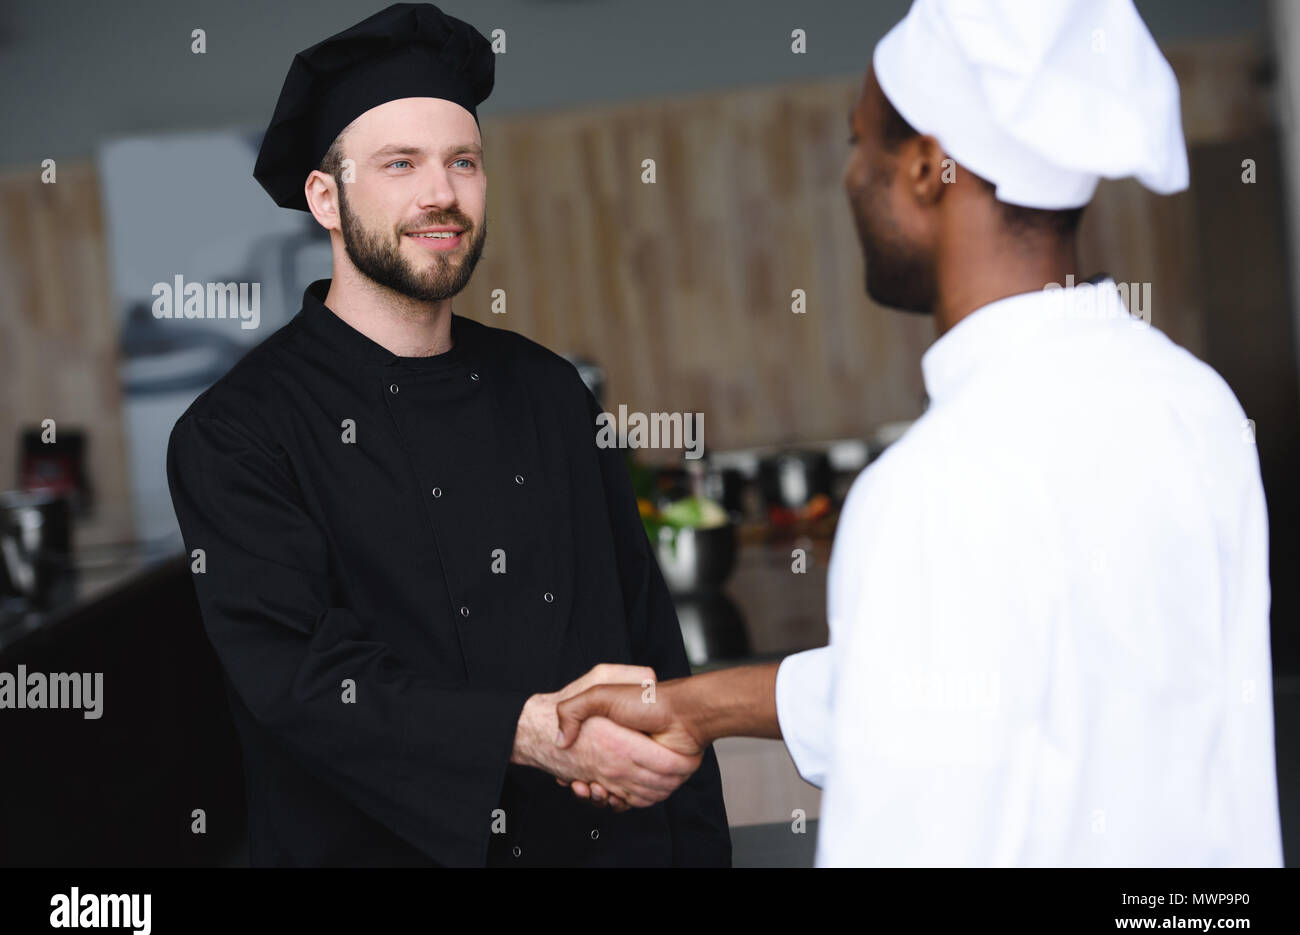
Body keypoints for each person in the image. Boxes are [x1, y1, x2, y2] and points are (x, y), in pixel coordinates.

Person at [555, 0, 1284, 866]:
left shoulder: (932, 488)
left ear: (932, 166)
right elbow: (1001, 688)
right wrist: (695, 707)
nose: (850, 175)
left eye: (863, 142)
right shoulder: (1194, 406)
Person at [165, 2, 730, 867]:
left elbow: (650, 648)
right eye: (400, 164)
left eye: (462, 161)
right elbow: (304, 680)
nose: (441, 194)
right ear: (326, 195)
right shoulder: (238, 432)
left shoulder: (550, 391)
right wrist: (528, 731)